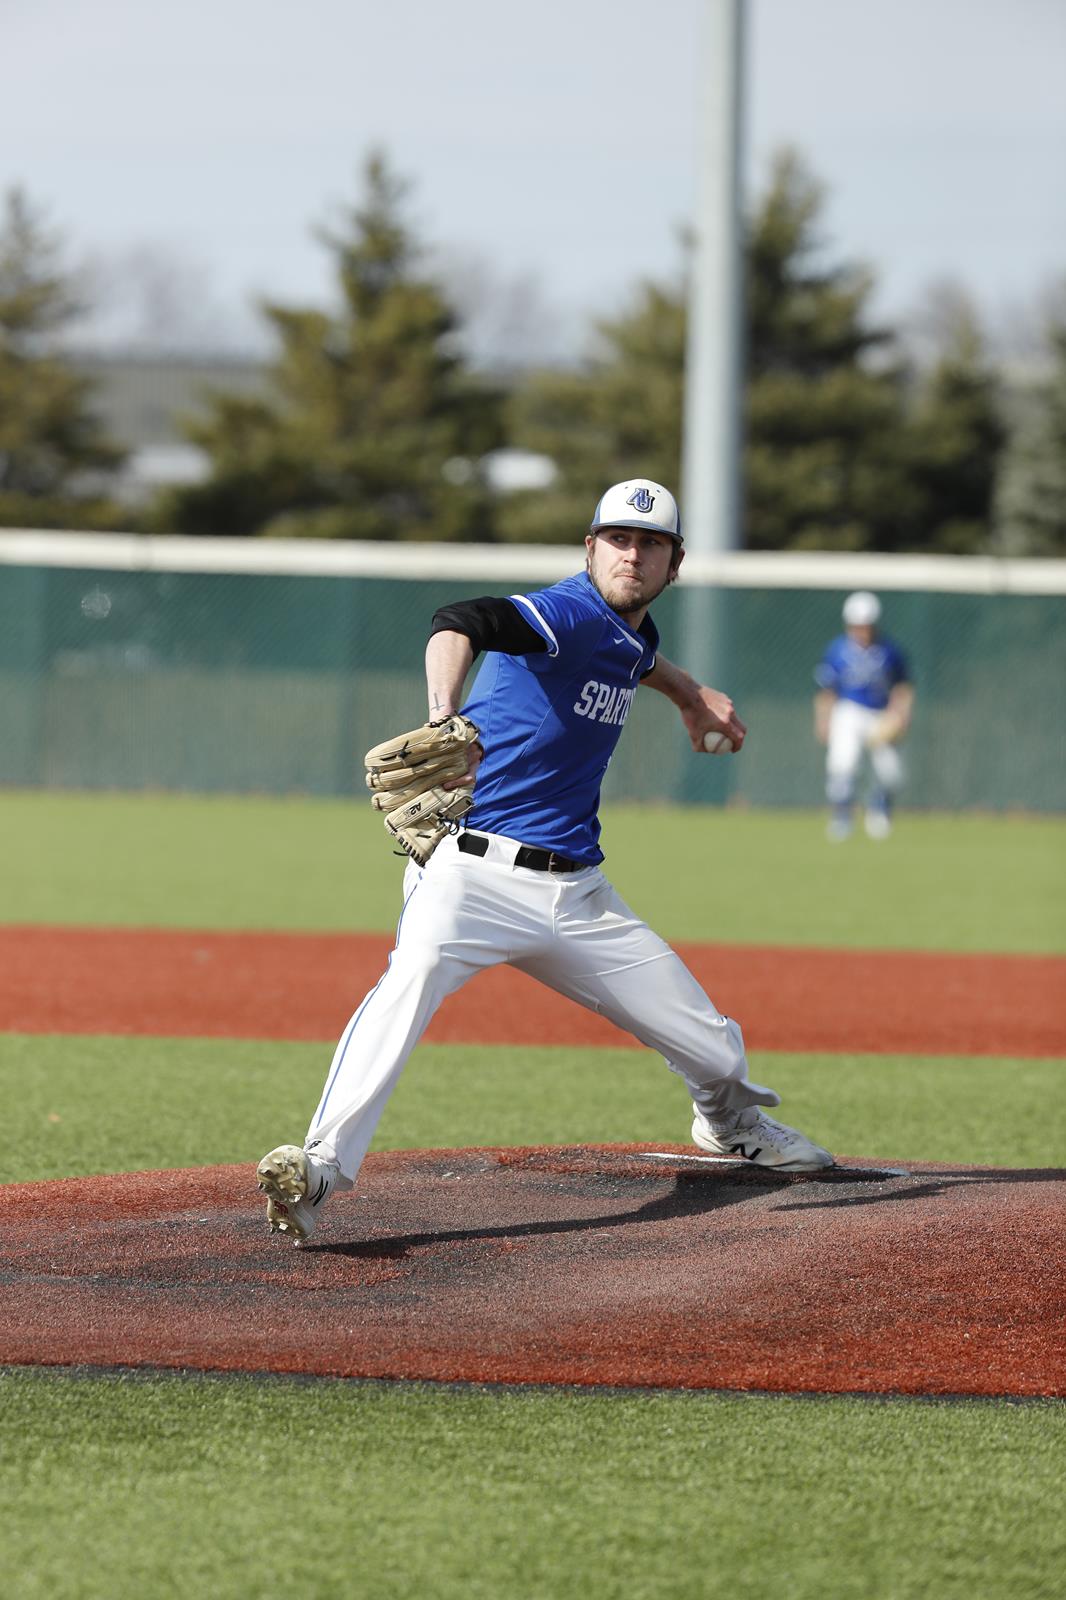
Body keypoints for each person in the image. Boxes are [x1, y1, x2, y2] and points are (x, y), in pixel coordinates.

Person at [257, 478, 833, 1244]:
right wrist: (441, 712)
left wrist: (690, 694)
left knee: (716, 1049)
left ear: (675, 564)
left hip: (579, 895)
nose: (632, 554)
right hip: (472, 876)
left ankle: (728, 1124)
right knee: (408, 985)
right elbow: (462, 620)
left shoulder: (631, 635)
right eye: (618, 540)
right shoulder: (564, 613)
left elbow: (640, 659)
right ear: (589, 548)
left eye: (649, 544)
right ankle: (319, 1170)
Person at [814, 591, 914, 840]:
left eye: (866, 625)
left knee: (890, 772)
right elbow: (827, 690)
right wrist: (823, 720)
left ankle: (879, 812)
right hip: (848, 711)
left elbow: (902, 686)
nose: (862, 630)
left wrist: (900, 714)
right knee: (843, 764)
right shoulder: (838, 650)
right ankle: (842, 817)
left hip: (880, 714)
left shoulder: (889, 650)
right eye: (857, 625)